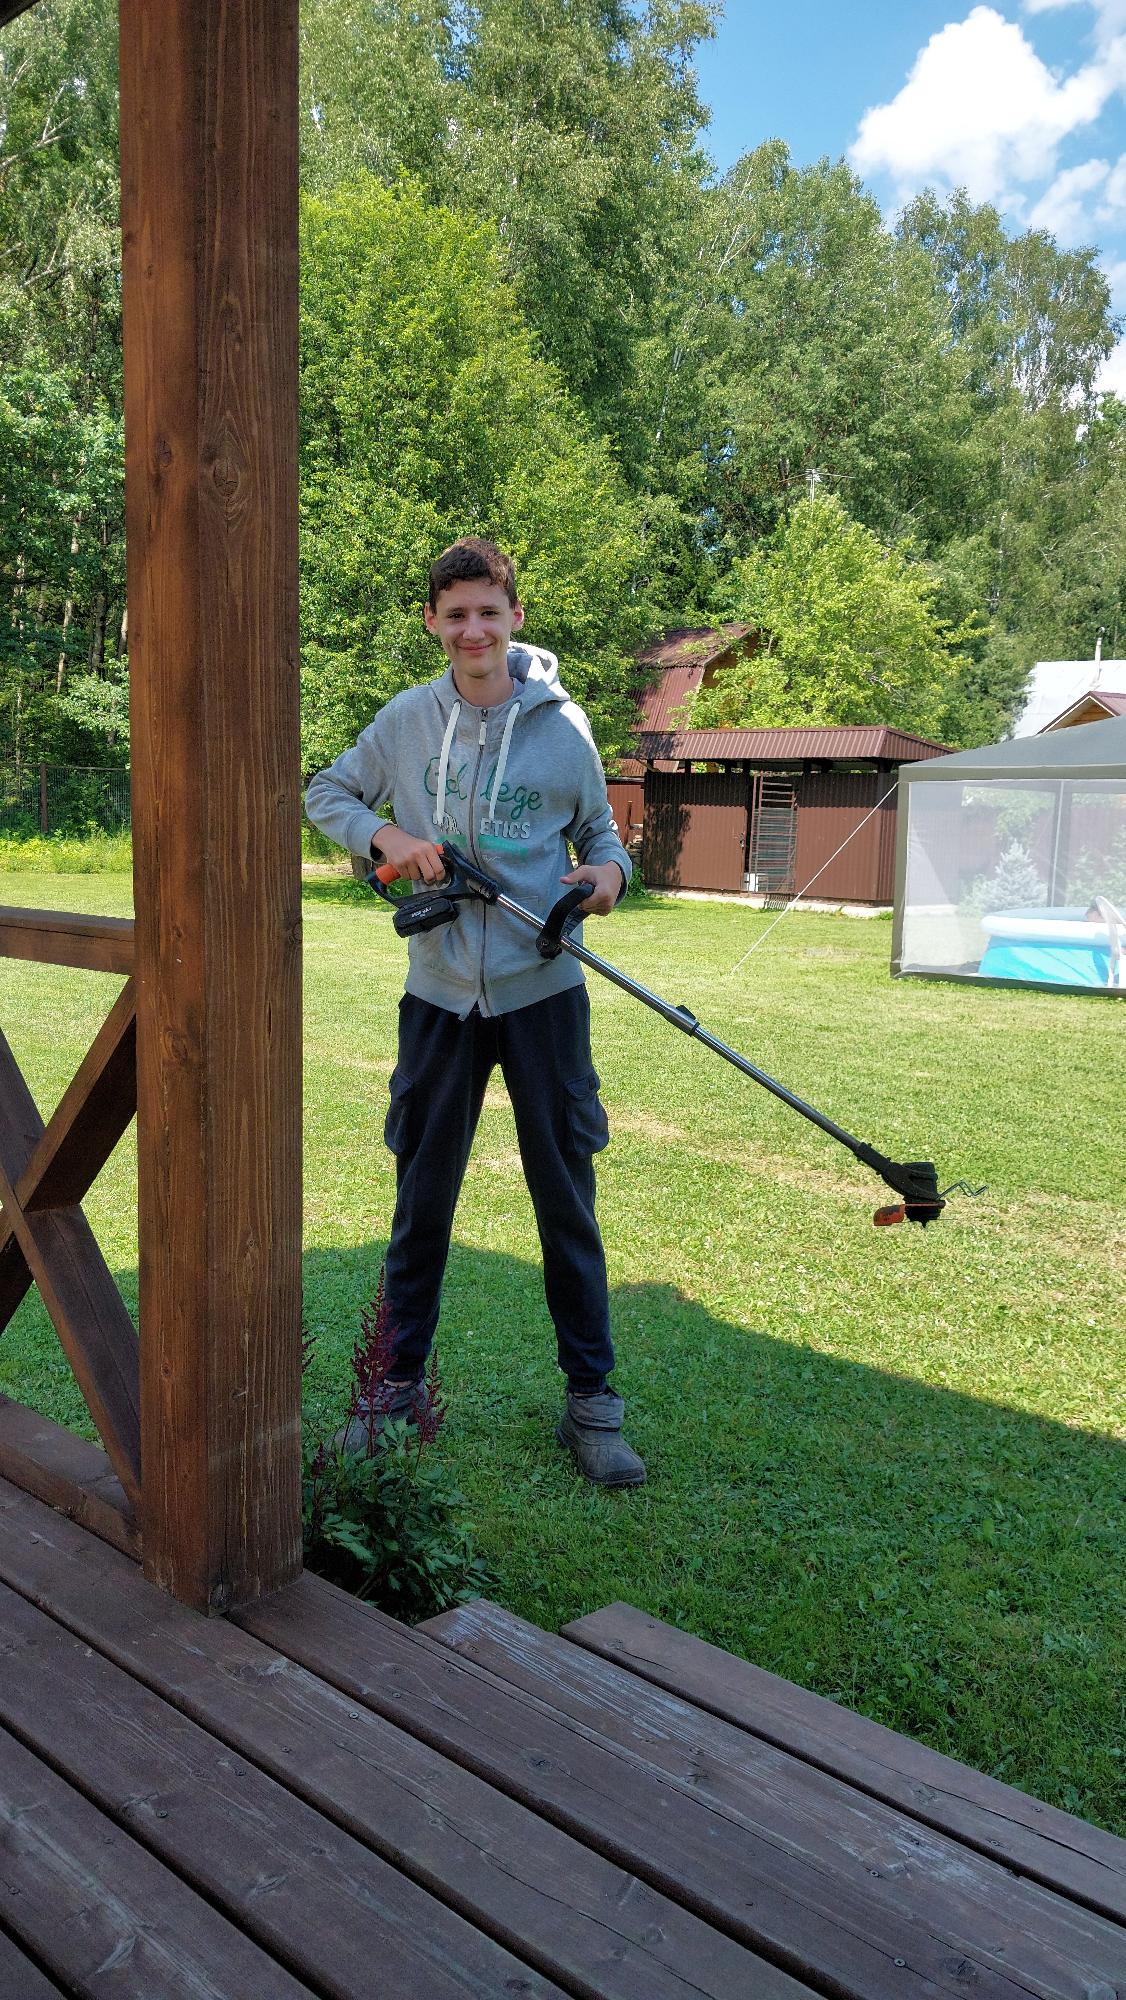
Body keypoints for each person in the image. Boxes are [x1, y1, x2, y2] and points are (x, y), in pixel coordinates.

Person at [304, 536, 645, 1487]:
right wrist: (387, 835)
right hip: (439, 998)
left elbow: (602, 833)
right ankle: (390, 1393)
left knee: (564, 1202)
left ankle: (594, 1405)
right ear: (432, 623)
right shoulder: (407, 722)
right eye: (454, 614)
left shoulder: (564, 729)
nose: (472, 630)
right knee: (421, 1203)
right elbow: (323, 790)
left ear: (515, 618)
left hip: (545, 994)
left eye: (488, 612)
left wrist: (608, 877)